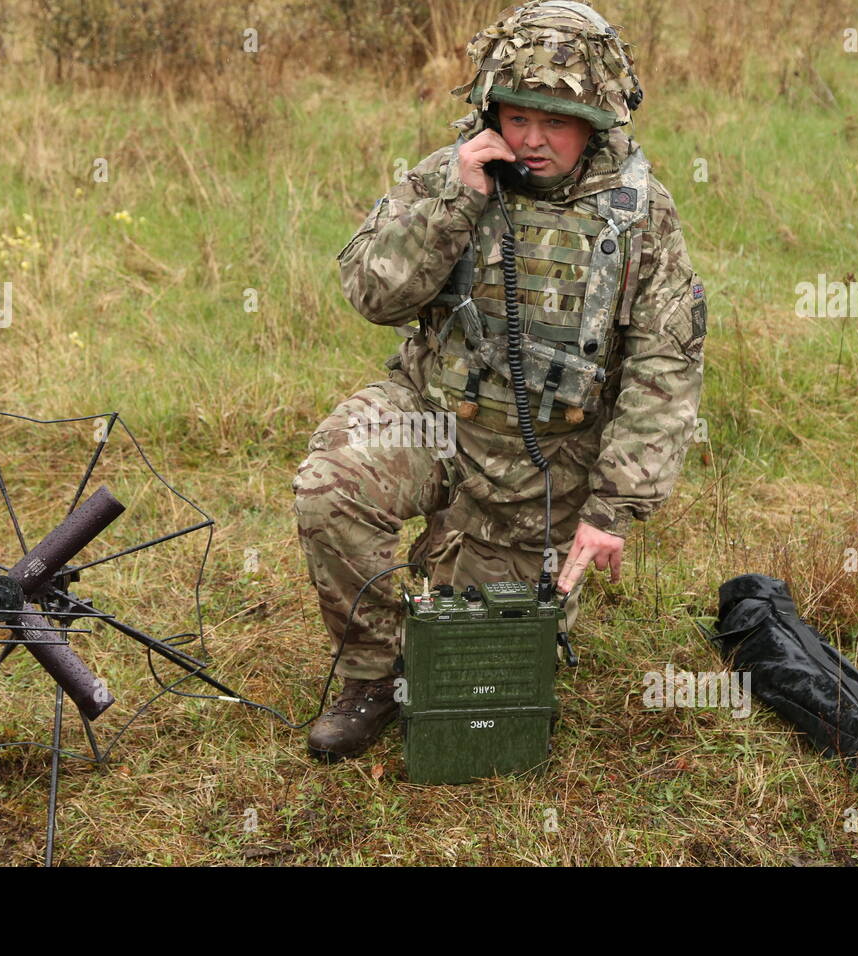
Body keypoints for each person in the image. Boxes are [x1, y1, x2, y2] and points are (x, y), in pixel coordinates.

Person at [293, 0, 706, 761]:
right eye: (517, 117)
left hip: (552, 461)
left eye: (556, 121)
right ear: (491, 111)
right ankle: (371, 676)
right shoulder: (450, 175)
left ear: (598, 121)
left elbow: (665, 367)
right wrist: (456, 200)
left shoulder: (641, 215)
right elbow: (374, 297)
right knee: (330, 488)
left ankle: (452, 564)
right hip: (435, 416)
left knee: (480, 660)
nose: (533, 140)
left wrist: (613, 508)